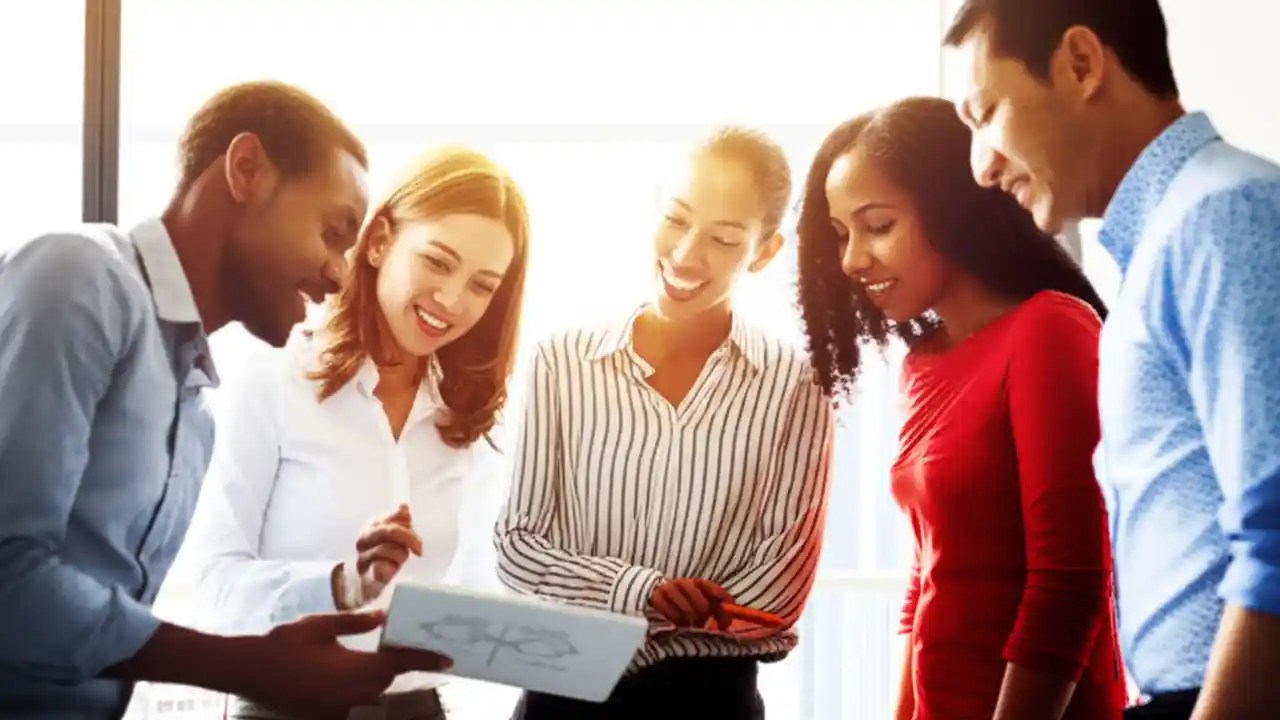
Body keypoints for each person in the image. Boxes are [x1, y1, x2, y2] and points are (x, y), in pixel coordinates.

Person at [0, 81, 450, 720]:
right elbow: (6, 575)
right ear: (246, 170)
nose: (340, 273)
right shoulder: (80, 277)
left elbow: (109, 626)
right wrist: (244, 667)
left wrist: (340, 588)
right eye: (332, 232)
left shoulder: (196, 407)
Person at [943, 2, 1280, 718]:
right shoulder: (1157, 243)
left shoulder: (1221, 213)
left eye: (988, 112)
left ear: (1081, 63)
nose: (980, 165)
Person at [795, 97, 1125, 720]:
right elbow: (927, 578)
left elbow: (1068, 585)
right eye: (841, 234)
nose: (851, 259)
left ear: (951, 208)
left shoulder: (1050, 330)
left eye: (878, 225)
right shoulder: (922, 363)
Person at [177, 144, 529, 719]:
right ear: (382, 240)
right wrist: (341, 585)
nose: (451, 300)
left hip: (416, 708)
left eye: (482, 285)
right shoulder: (275, 378)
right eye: (437, 262)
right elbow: (213, 584)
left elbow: (477, 586)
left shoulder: (470, 417)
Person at [495, 126, 833, 719]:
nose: (684, 255)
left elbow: (779, 592)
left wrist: (602, 608)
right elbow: (519, 550)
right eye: (676, 219)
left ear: (765, 251)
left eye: (724, 239)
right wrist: (647, 594)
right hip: (562, 699)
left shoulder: (796, 385)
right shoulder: (562, 361)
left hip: (709, 704)